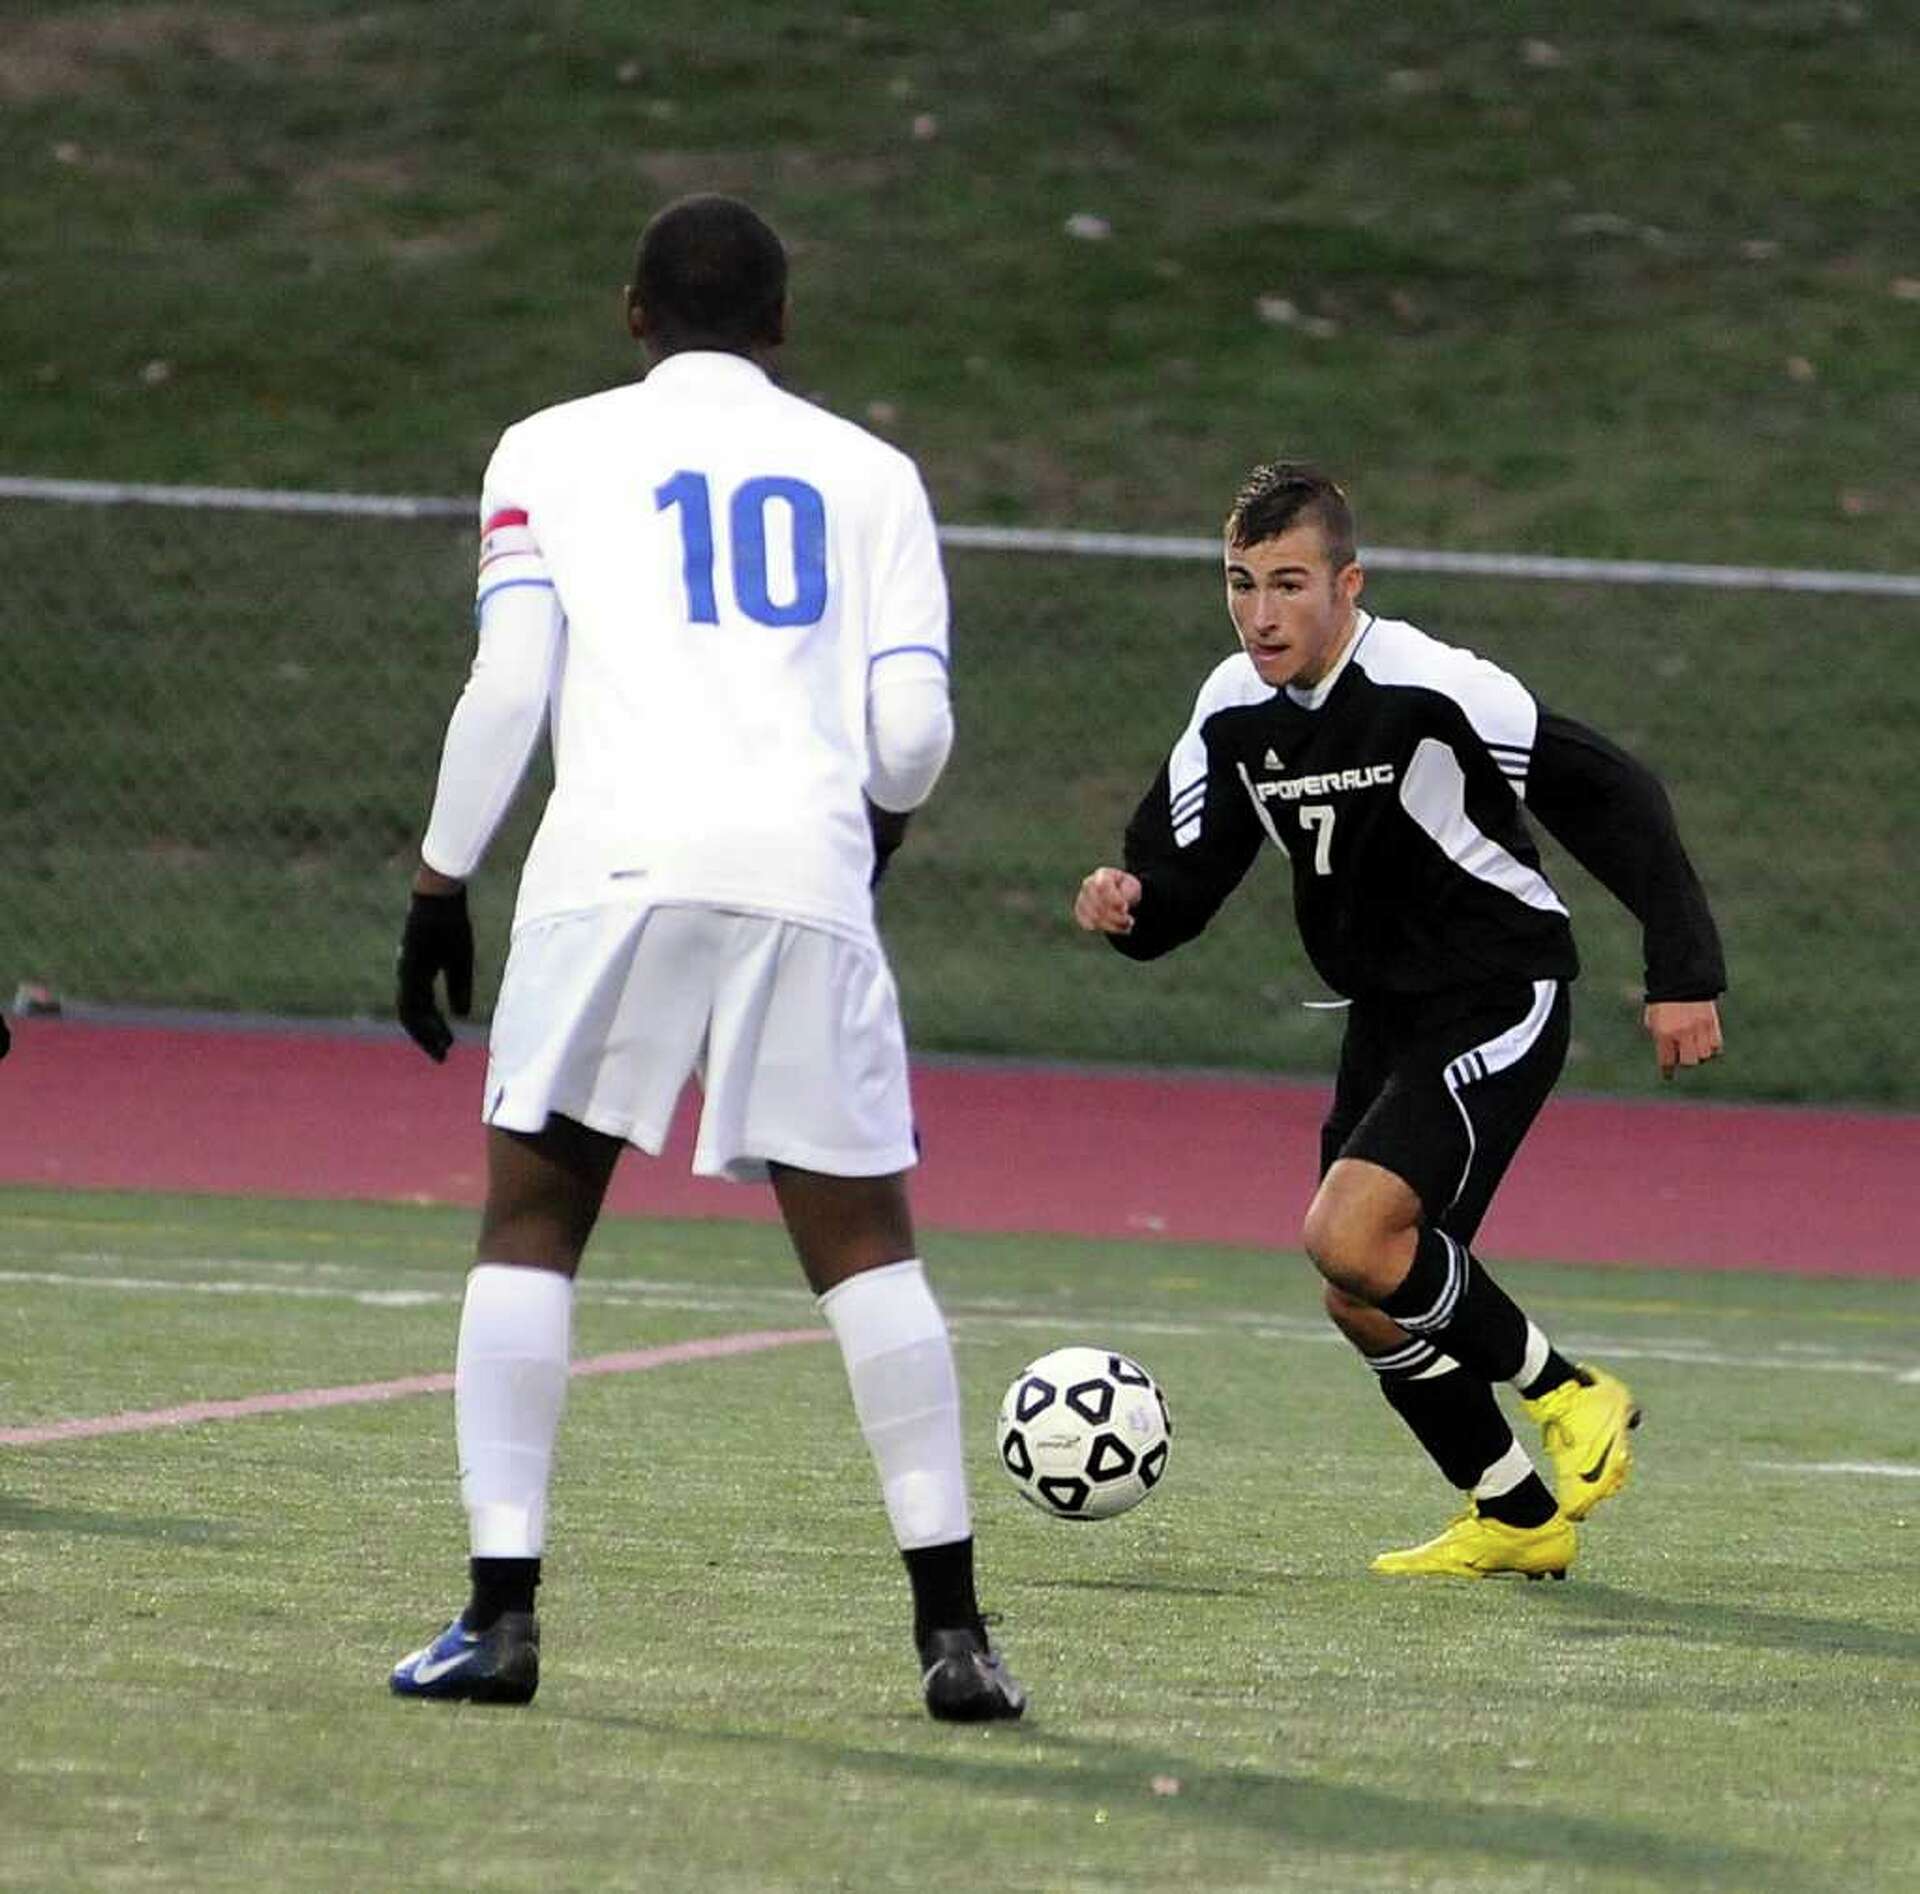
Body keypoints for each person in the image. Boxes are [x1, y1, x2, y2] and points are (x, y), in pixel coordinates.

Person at [386, 193, 1024, 1720]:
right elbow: (916, 732)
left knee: (533, 1220)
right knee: (869, 1246)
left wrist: (437, 879)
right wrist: (863, 834)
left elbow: (510, 683)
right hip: (801, 868)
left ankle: (500, 1614)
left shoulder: (547, 448)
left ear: (632, 313)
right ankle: (955, 1636)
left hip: (607, 868)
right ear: (784, 324)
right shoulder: (874, 476)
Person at [1074, 461, 1725, 1579]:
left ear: (1347, 584)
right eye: (1240, 583)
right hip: (1388, 1011)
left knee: (1349, 1235)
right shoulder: (1230, 709)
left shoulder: (1430, 682)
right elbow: (1182, 872)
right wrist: (1129, 905)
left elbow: (1611, 792)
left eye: (1287, 583)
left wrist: (1684, 968)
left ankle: (1574, 1394)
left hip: (1497, 988)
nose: (1260, 613)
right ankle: (1517, 1514)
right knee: (1360, 1288)